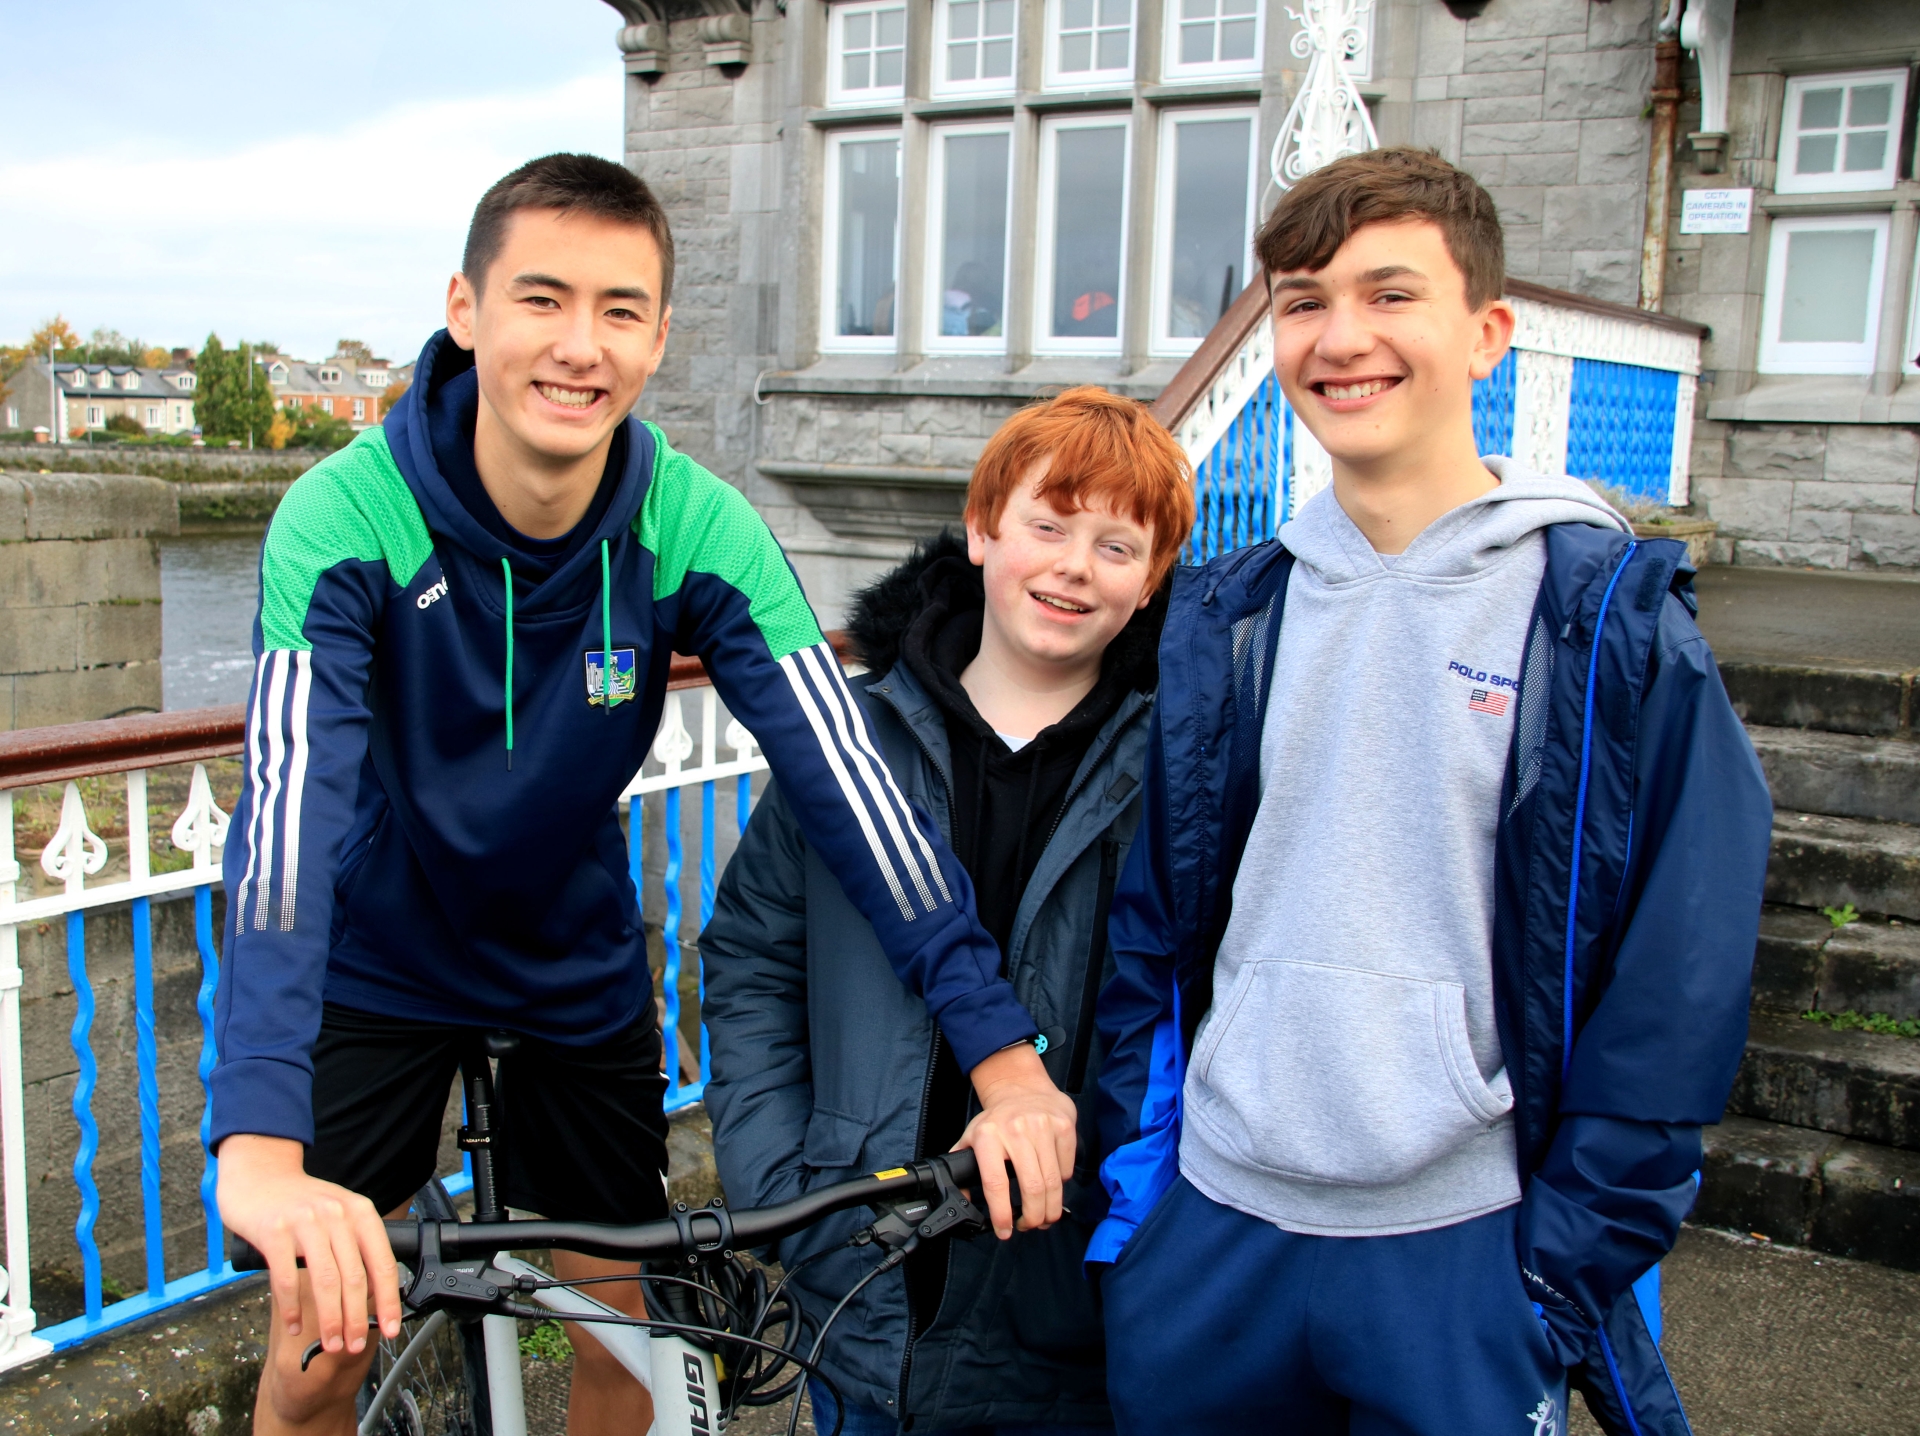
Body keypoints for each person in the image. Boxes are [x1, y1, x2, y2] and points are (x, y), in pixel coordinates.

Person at [212, 152, 1076, 1436]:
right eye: (542, 300)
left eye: (620, 311)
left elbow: (855, 791)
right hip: (377, 957)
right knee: (322, 1340)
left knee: (626, 1331)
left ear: (661, 336)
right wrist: (260, 1145)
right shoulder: (345, 514)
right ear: (466, 311)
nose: (580, 347)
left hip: (570, 964)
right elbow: (288, 826)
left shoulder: (699, 524)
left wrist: (1007, 1058)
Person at [1090, 148, 1772, 1436]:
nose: (1339, 337)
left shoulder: (1601, 617)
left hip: (1464, 1243)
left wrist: (1562, 1268)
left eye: (1388, 293)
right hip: (1216, 1227)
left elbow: (1681, 973)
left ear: (1487, 333)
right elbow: (1157, 928)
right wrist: (1143, 1199)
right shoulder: (1234, 611)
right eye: (1302, 301)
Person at [702, 387, 1195, 1435]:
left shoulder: (1177, 774)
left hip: (1074, 1299)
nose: (1071, 566)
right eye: (1047, 525)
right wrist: (782, 1171)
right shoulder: (848, 747)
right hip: (862, 1271)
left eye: (1117, 544)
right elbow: (751, 954)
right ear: (981, 530)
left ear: (1153, 580)